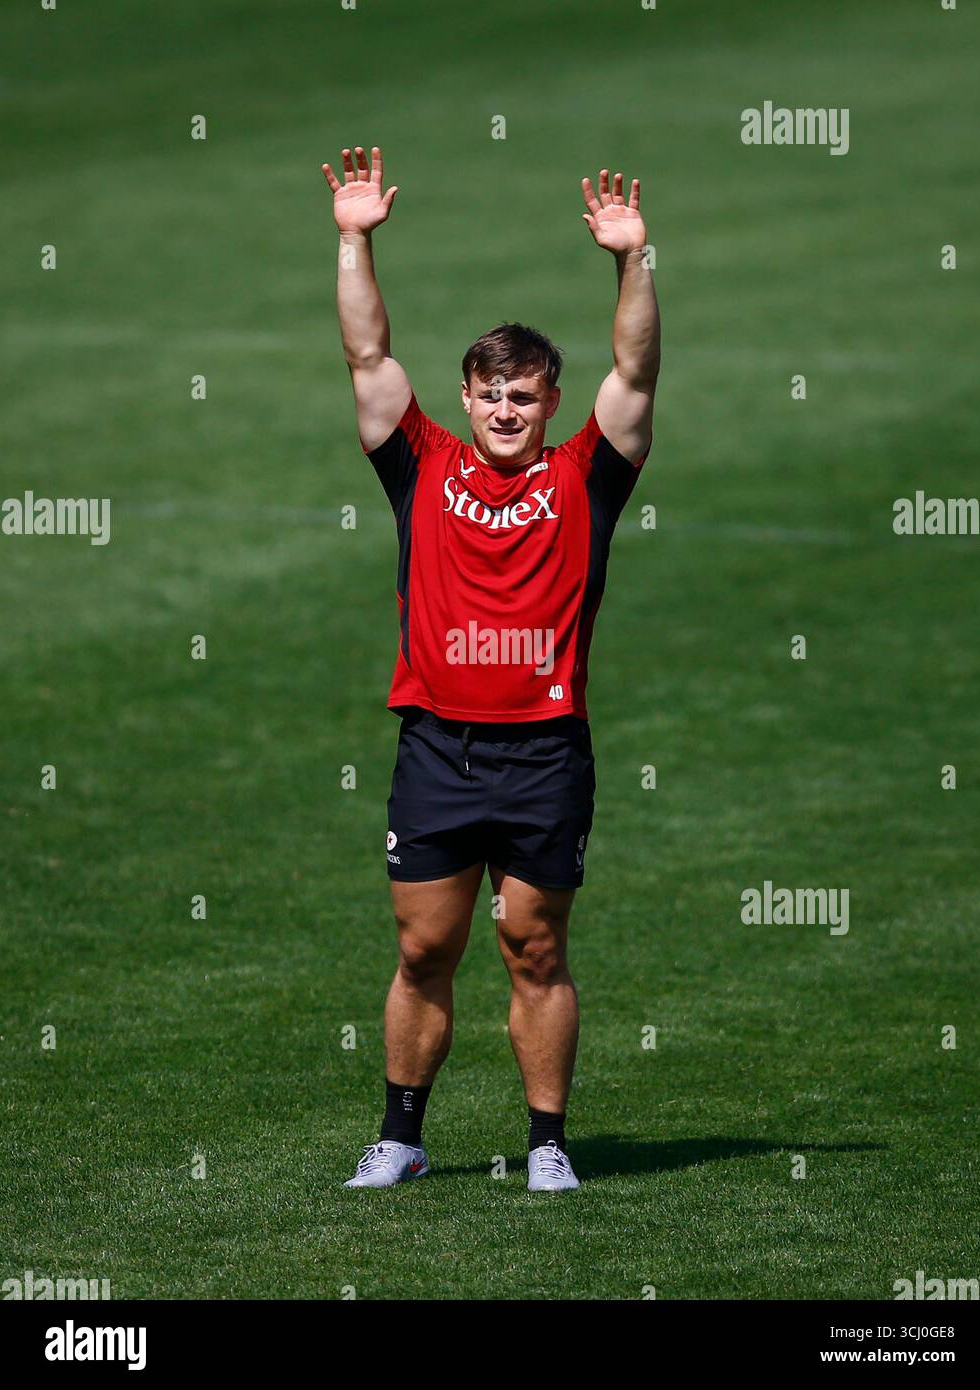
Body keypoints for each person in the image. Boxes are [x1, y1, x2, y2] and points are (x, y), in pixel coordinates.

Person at [322, 146, 660, 1192]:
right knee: (424, 948)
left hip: (543, 755)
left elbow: (637, 372)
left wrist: (634, 260)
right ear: (465, 395)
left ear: (550, 400)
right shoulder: (418, 461)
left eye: (522, 395)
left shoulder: (585, 477)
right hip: (435, 747)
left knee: (533, 951)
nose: (505, 410)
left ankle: (547, 1144)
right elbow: (367, 355)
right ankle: (400, 1135)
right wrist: (352, 238)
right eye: (488, 393)